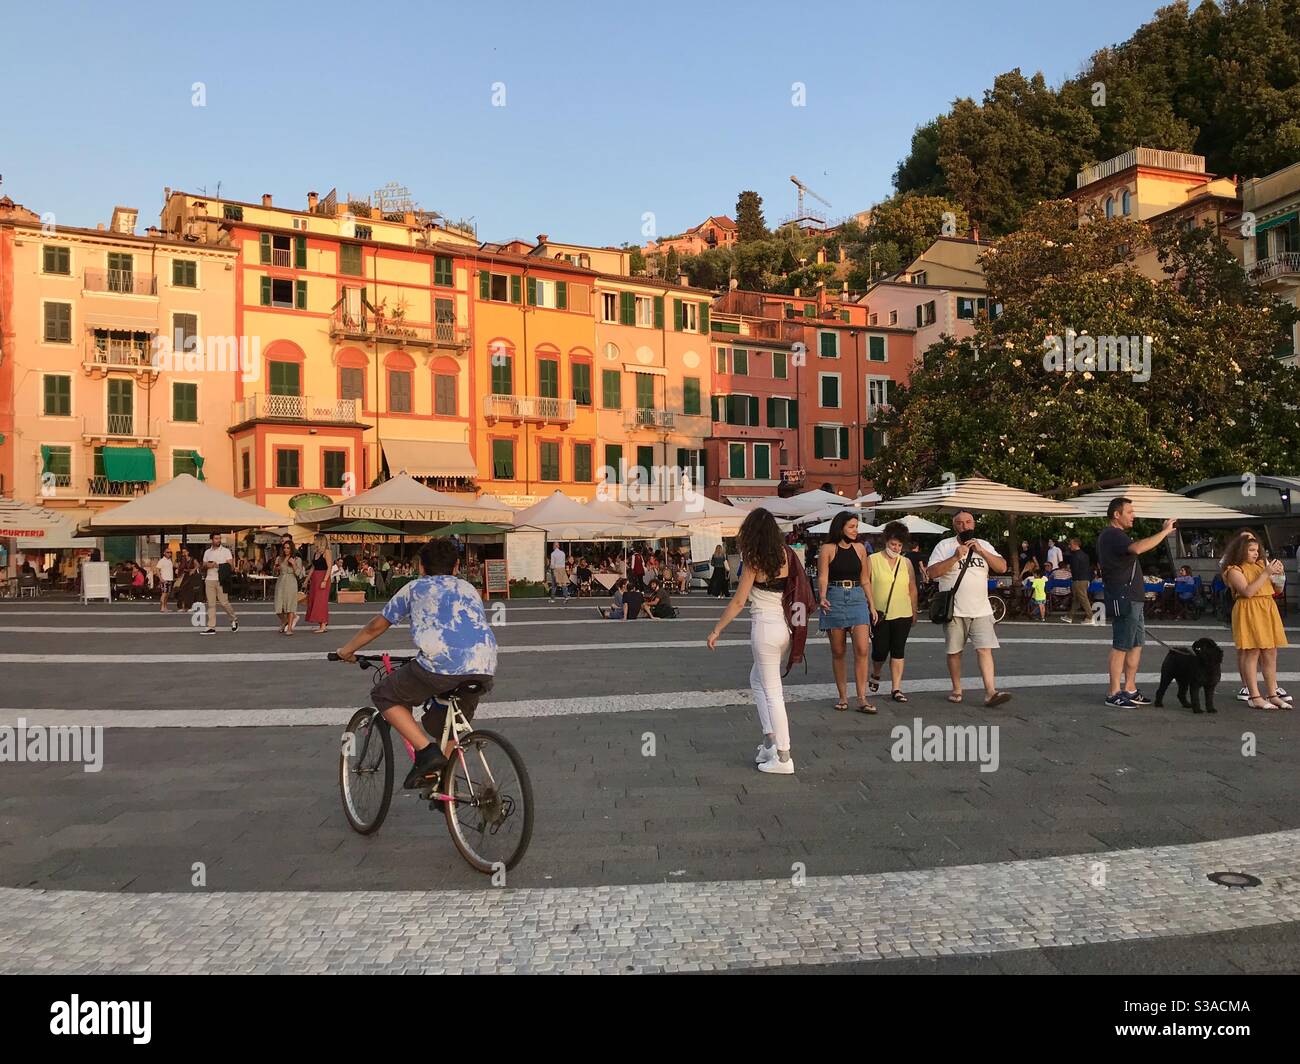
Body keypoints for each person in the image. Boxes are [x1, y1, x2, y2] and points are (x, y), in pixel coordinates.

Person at [335, 540, 497, 789]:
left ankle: (426, 752)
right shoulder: (468, 588)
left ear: (421, 567)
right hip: (483, 667)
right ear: (456, 567)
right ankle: (445, 785)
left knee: (385, 694)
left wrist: (347, 650)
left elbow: (376, 626)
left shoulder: (414, 588)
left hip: (439, 667)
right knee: (450, 724)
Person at [707, 507, 800, 775]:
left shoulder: (754, 560)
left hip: (765, 629)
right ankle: (770, 741)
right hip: (784, 628)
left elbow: (738, 601)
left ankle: (784, 756)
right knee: (757, 680)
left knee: (773, 693)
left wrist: (717, 630)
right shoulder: (786, 555)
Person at [1097, 497, 1178, 709]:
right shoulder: (1112, 535)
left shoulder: (1118, 535)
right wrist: (1164, 533)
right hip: (1124, 597)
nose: (1134, 516)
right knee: (1121, 645)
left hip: (1133, 597)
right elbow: (1138, 548)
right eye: (1130, 512)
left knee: (1136, 644)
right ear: (1117, 514)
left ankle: (1130, 688)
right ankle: (1113, 692)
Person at [927, 511, 1011, 707]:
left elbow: (1002, 567)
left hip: (981, 609)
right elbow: (932, 573)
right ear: (954, 526)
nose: (965, 526)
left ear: (973, 524)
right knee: (955, 651)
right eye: (960, 523)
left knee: (984, 650)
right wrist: (955, 557)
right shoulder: (944, 546)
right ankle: (957, 689)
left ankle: (990, 691)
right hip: (954, 610)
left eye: (968, 522)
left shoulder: (984, 544)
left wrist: (982, 551)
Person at [1221, 532, 1291, 710]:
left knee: (1270, 652)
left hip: (1267, 607)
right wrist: (1266, 573)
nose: (1256, 553)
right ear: (1241, 551)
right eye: (1251, 550)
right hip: (1249, 609)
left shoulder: (1261, 565)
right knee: (1252, 652)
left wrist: (1279, 575)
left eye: (1257, 550)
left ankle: (1272, 693)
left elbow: (1277, 588)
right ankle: (1254, 695)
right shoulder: (1233, 570)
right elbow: (1247, 591)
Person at [817, 512, 878, 713]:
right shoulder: (827, 548)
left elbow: (866, 579)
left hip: (857, 597)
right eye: (851, 526)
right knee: (838, 651)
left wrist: (872, 605)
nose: (855, 530)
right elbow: (823, 577)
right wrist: (823, 596)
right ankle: (843, 697)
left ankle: (862, 698)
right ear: (840, 527)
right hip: (834, 597)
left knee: (862, 649)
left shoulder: (860, 549)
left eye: (856, 526)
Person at [867, 521, 919, 703]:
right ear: (886, 542)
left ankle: (896, 688)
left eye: (899, 545)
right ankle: (876, 672)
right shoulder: (872, 560)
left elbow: (912, 587)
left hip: (903, 612)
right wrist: (870, 606)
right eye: (892, 544)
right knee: (880, 651)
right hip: (879, 614)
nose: (895, 548)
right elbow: (866, 585)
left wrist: (914, 609)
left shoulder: (906, 563)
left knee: (898, 650)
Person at [199, 532, 239, 635]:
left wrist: (219, 565)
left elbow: (231, 566)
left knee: (224, 602)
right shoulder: (207, 552)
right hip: (209, 579)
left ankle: (233, 619)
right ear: (211, 540)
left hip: (222, 579)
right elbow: (203, 565)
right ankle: (211, 626)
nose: (218, 540)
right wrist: (209, 565)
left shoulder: (226, 551)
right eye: (216, 538)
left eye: (219, 538)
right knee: (211, 604)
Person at [273, 540, 305, 635]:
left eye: (288, 548)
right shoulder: (280, 558)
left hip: (291, 582)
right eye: (284, 548)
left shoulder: (297, 559)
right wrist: (275, 568)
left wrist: (294, 564)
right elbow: (274, 573)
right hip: (281, 582)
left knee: (290, 606)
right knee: (278, 607)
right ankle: (284, 621)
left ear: (292, 549)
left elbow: (299, 574)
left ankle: (290, 628)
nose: (286, 550)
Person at [1062, 536, 1094, 624]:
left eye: (1071, 544)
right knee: (1077, 599)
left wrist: (1070, 572)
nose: (1069, 546)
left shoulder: (1075, 556)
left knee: (1083, 598)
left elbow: (1075, 569)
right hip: (1085, 578)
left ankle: (1090, 616)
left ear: (1075, 544)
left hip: (1078, 580)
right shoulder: (1085, 555)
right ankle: (1070, 616)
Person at [306, 535, 332, 635]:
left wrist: (325, 580)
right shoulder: (316, 553)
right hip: (316, 578)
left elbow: (329, 567)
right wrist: (307, 579)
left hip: (323, 576)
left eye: (315, 540)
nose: (313, 541)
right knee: (314, 600)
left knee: (321, 601)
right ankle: (322, 622)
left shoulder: (327, 552)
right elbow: (313, 567)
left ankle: (323, 625)